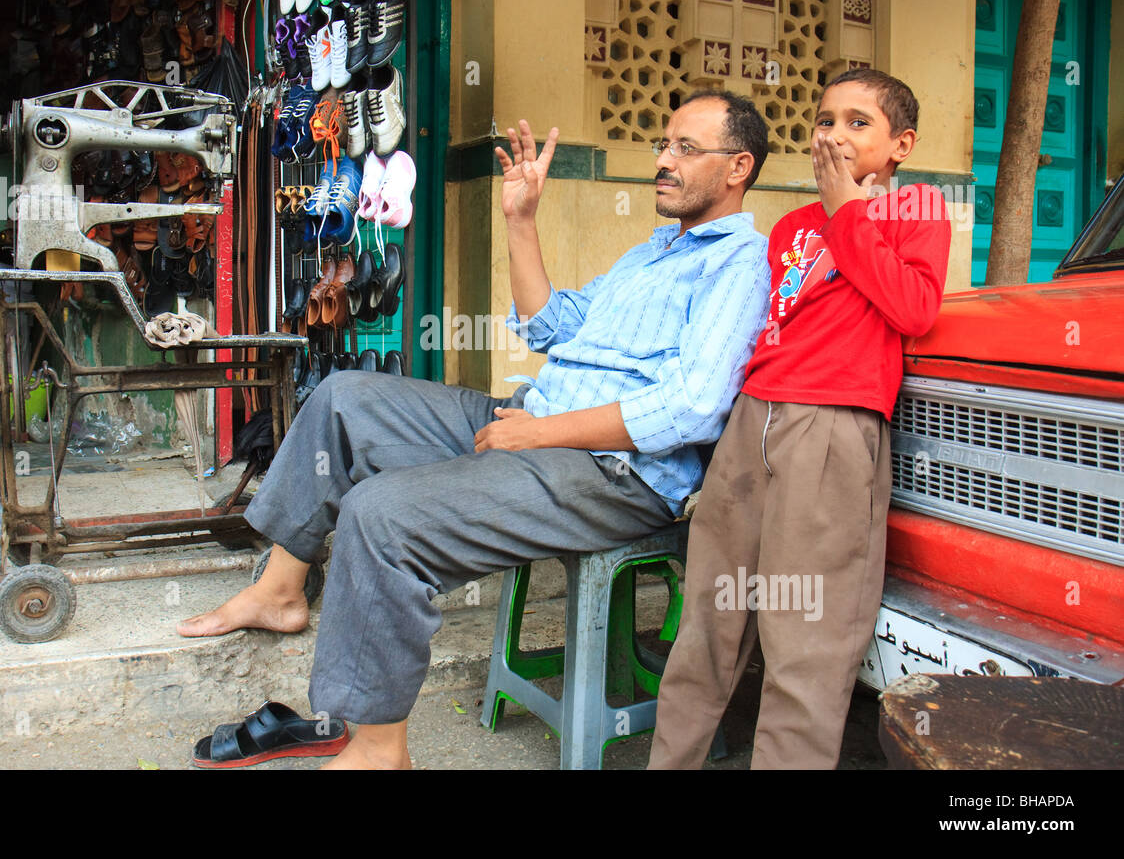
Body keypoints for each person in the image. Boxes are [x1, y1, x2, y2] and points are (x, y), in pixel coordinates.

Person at [180, 90, 772, 769]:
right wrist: (522, 221)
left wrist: (543, 435)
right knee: (343, 399)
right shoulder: (652, 253)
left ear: (737, 168)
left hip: (613, 474)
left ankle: (378, 749)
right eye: (664, 144)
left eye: (686, 149)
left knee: (383, 516)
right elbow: (550, 325)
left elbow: (693, 408)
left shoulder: (739, 265)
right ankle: (281, 589)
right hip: (533, 419)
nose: (664, 160)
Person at [648, 69, 953, 770]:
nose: (834, 135)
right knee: (708, 623)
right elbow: (774, 322)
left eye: (857, 122)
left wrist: (850, 212)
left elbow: (914, 309)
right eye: (824, 120)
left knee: (805, 640)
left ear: (900, 144)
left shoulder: (918, 210)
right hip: (754, 426)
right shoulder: (791, 226)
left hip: (832, 432)